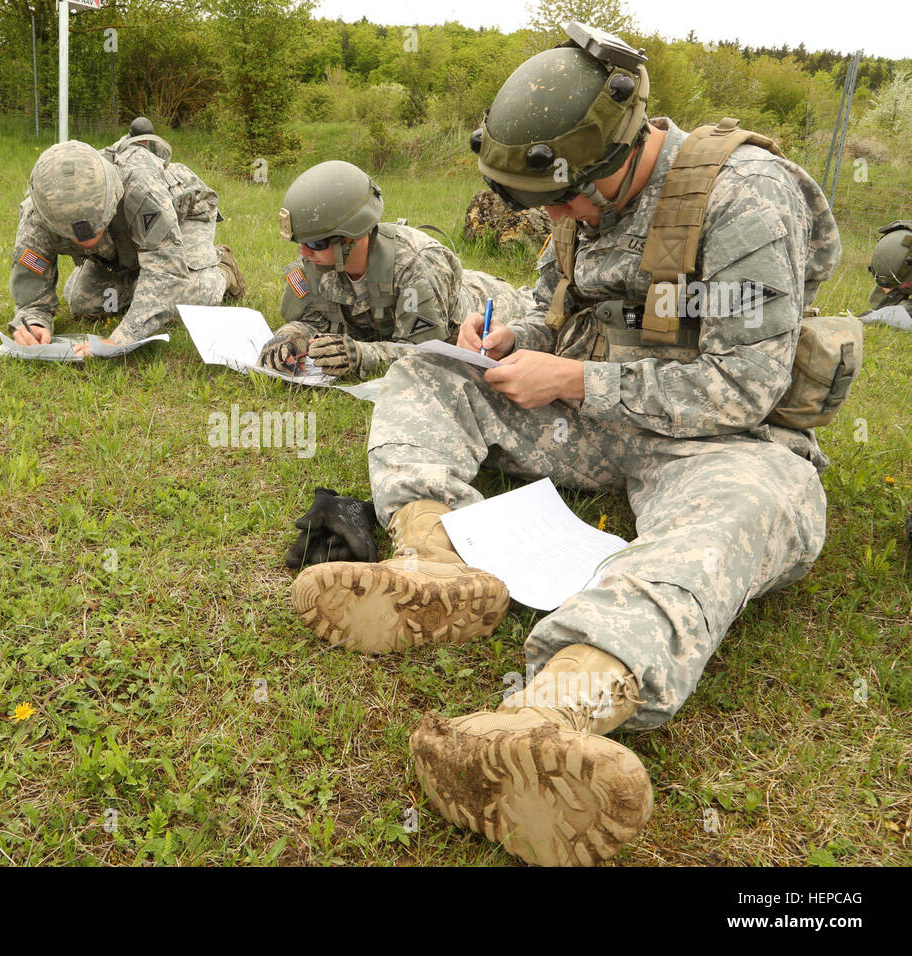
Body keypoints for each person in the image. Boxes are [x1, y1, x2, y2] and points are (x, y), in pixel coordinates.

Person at [290, 22, 845, 866]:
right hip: (593, 420)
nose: (553, 217)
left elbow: (745, 388)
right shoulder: (573, 197)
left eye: (562, 200)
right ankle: (434, 565)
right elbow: (549, 298)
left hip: (717, 443)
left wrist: (576, 382)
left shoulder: (745, 197)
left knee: (744, 511)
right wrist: (506, 339)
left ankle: (544, 718)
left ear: (624, 150)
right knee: (427, 377)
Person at [259, 160, 533, 379]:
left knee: (532, 307)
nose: (304, 253)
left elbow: (427, 354)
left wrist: (361, 356)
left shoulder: (416, 266)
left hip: (492, 305)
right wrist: (290, 336)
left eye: (314, 243)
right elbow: (312, 321)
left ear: (351, 237)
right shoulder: (316, 263)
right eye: (300, 242)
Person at [6, 124, 244, 354]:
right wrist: (33, 321)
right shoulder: (39, 213)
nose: (87, 241)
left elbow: (167, 270)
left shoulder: (140, 188)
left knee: (191, 296)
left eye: (96, 225)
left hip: (183, 216)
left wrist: (122, 338)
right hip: (123, 244)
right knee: (83, 303)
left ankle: (222, 268)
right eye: (74, 235)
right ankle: (142, 276)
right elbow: (32, 283)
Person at [862, 220, 912, 329]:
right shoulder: (897, 266)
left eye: (907, 281)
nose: (901, 286)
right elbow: (881, 308)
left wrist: (905, 310)